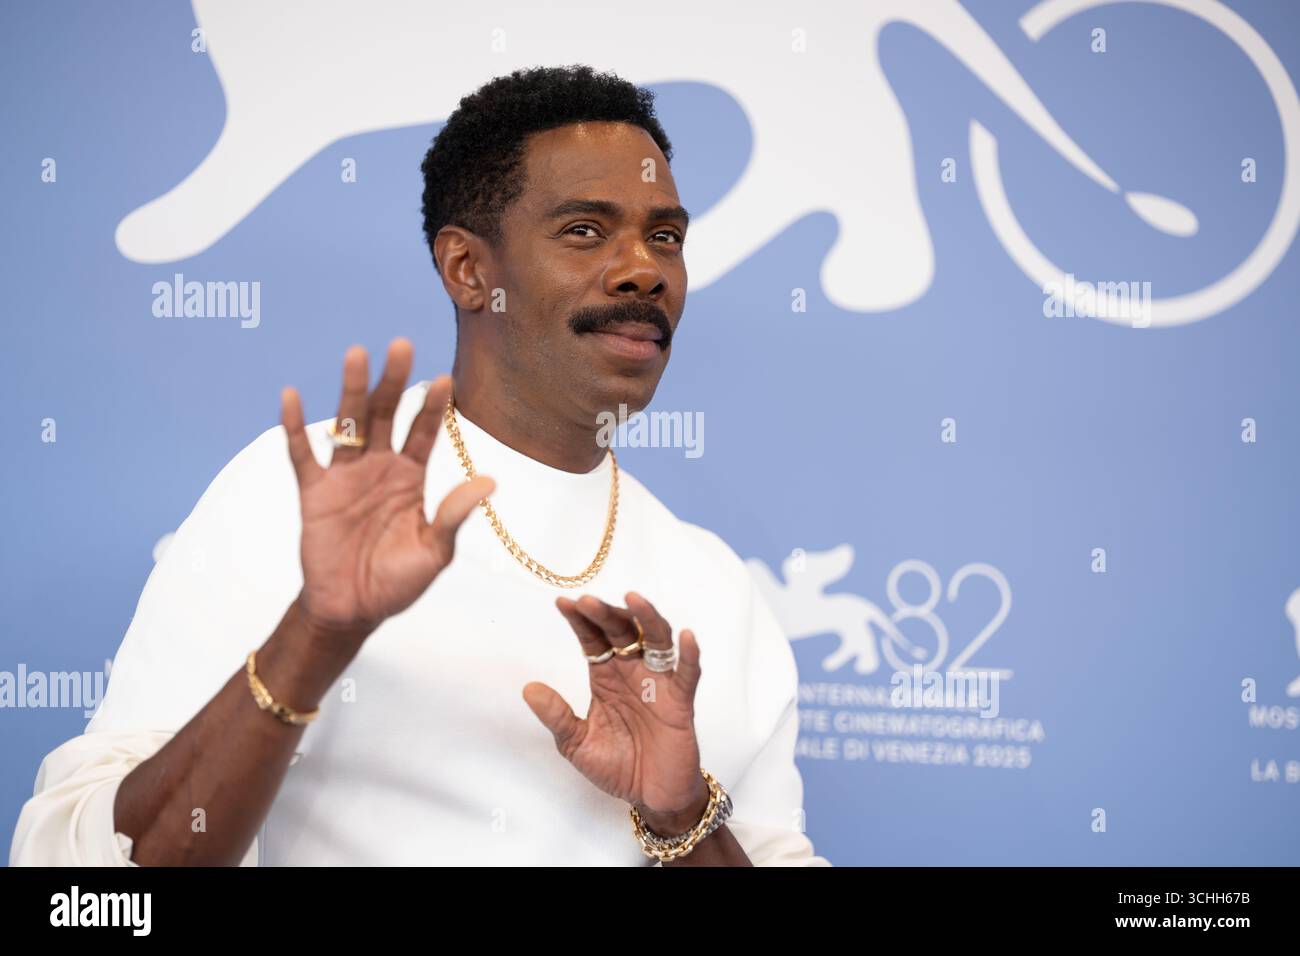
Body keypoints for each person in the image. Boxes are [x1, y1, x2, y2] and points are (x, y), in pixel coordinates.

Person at [10, 65, 830, 866]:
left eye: (666, 237)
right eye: (585, 230)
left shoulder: (718, 591)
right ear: (468, 269)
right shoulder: (299, 496)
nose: (644, 269)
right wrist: (318, 632)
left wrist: (682, 816)